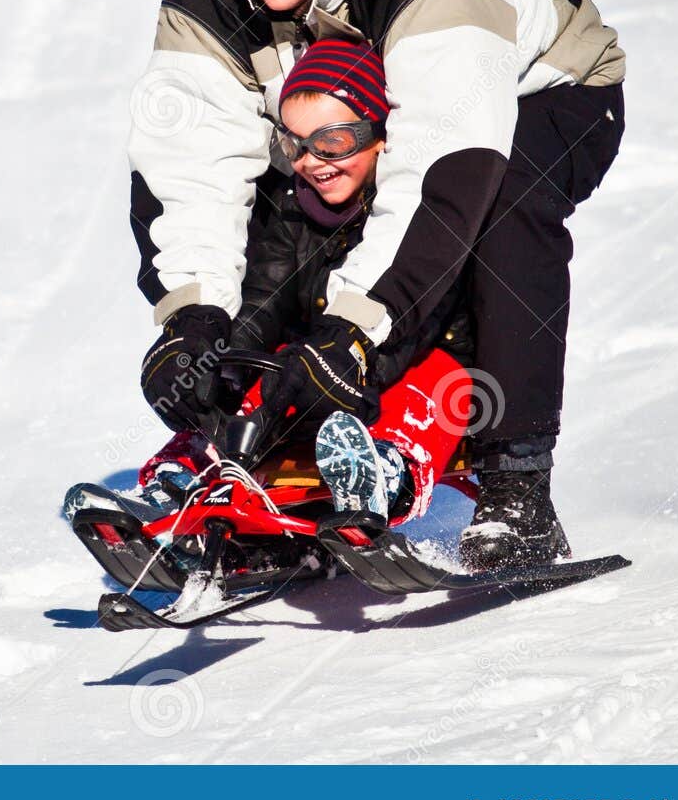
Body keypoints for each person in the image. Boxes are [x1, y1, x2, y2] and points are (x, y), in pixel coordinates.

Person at [131, 0, 625, 568]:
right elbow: (190, 161)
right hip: (356, 116)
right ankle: (264, 473)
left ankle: (517, 491)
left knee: (501, 206)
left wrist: (355, 329)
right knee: (294, 194)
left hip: (541, 93)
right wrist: (193, 316)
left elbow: (439, 175)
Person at [139, 39, 475, 527]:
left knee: (432, 382)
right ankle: (187, 471)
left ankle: (383, 473)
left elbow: (419, 317)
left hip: (417, 361)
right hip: (323, 366)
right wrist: (221, 357)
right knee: (258, 375)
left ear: (379, 134)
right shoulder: (295, 214)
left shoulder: (413, 216)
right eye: (295, 144)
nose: (313, 160)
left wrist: (346, 362)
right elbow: (263, 300)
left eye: (333, 140)